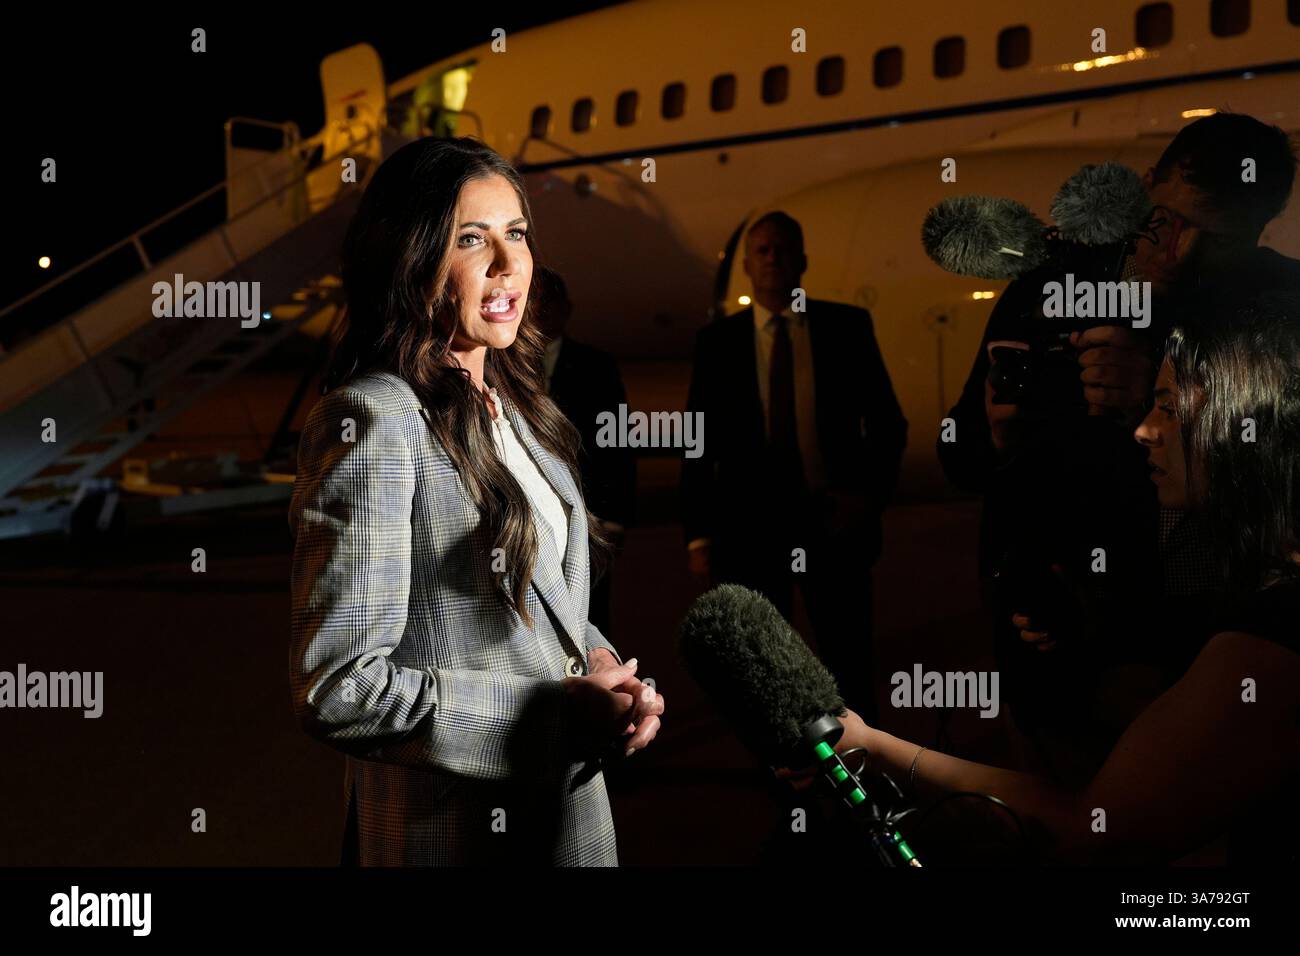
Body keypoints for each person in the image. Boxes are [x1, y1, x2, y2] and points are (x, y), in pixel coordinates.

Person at [784, 294, 1300, 864]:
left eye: (1170, 407)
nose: (1144, 431)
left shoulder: (1268, 643)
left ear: (1247, 422)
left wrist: (872, 747)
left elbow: (1089, 830)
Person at [287, 137, 664, 866]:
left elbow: (547, 605)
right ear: (410, 258)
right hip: (457, 835)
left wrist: (607, 675)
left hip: (569, 823)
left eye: (516, 233)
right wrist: (552, 718)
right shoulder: (374, 421)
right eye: (471, 239)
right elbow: (337, 686)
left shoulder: (515, 406)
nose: (507, 263)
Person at [936, 112, 1300, 767]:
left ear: (1261, 228)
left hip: (1200, 655)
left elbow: (1281, 480)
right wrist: (996, 436)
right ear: (1145, 185)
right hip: (1047, 649)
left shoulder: (1278, 305)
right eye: (1168, 222)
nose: (1178, 255)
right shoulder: (1049, 286)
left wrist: (1171, 396)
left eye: (1216, 241)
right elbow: (957, 457)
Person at [680, 211, 907, 723]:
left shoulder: (846, 328)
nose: (774, 258)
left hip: (833, 523)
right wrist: (699, 534)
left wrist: (867, 499)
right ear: (746, 265)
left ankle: (862, 770)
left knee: (847, 659)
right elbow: (698, 445)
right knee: (766, 669)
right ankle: (787, 781)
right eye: (762, 250)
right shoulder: (717, 344)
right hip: (751, 531)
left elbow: (889, 424)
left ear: (802, 260)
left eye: (784, 249)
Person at [531, 266, 636, 638]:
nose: (539, 310)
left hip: (589, 518)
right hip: (525, 519)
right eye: (533, 300)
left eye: (548, 302)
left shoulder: (597, 368)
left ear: (566, 309)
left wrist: (615, 518)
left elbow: (619, 444)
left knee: (590, 618)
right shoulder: (500, 363)